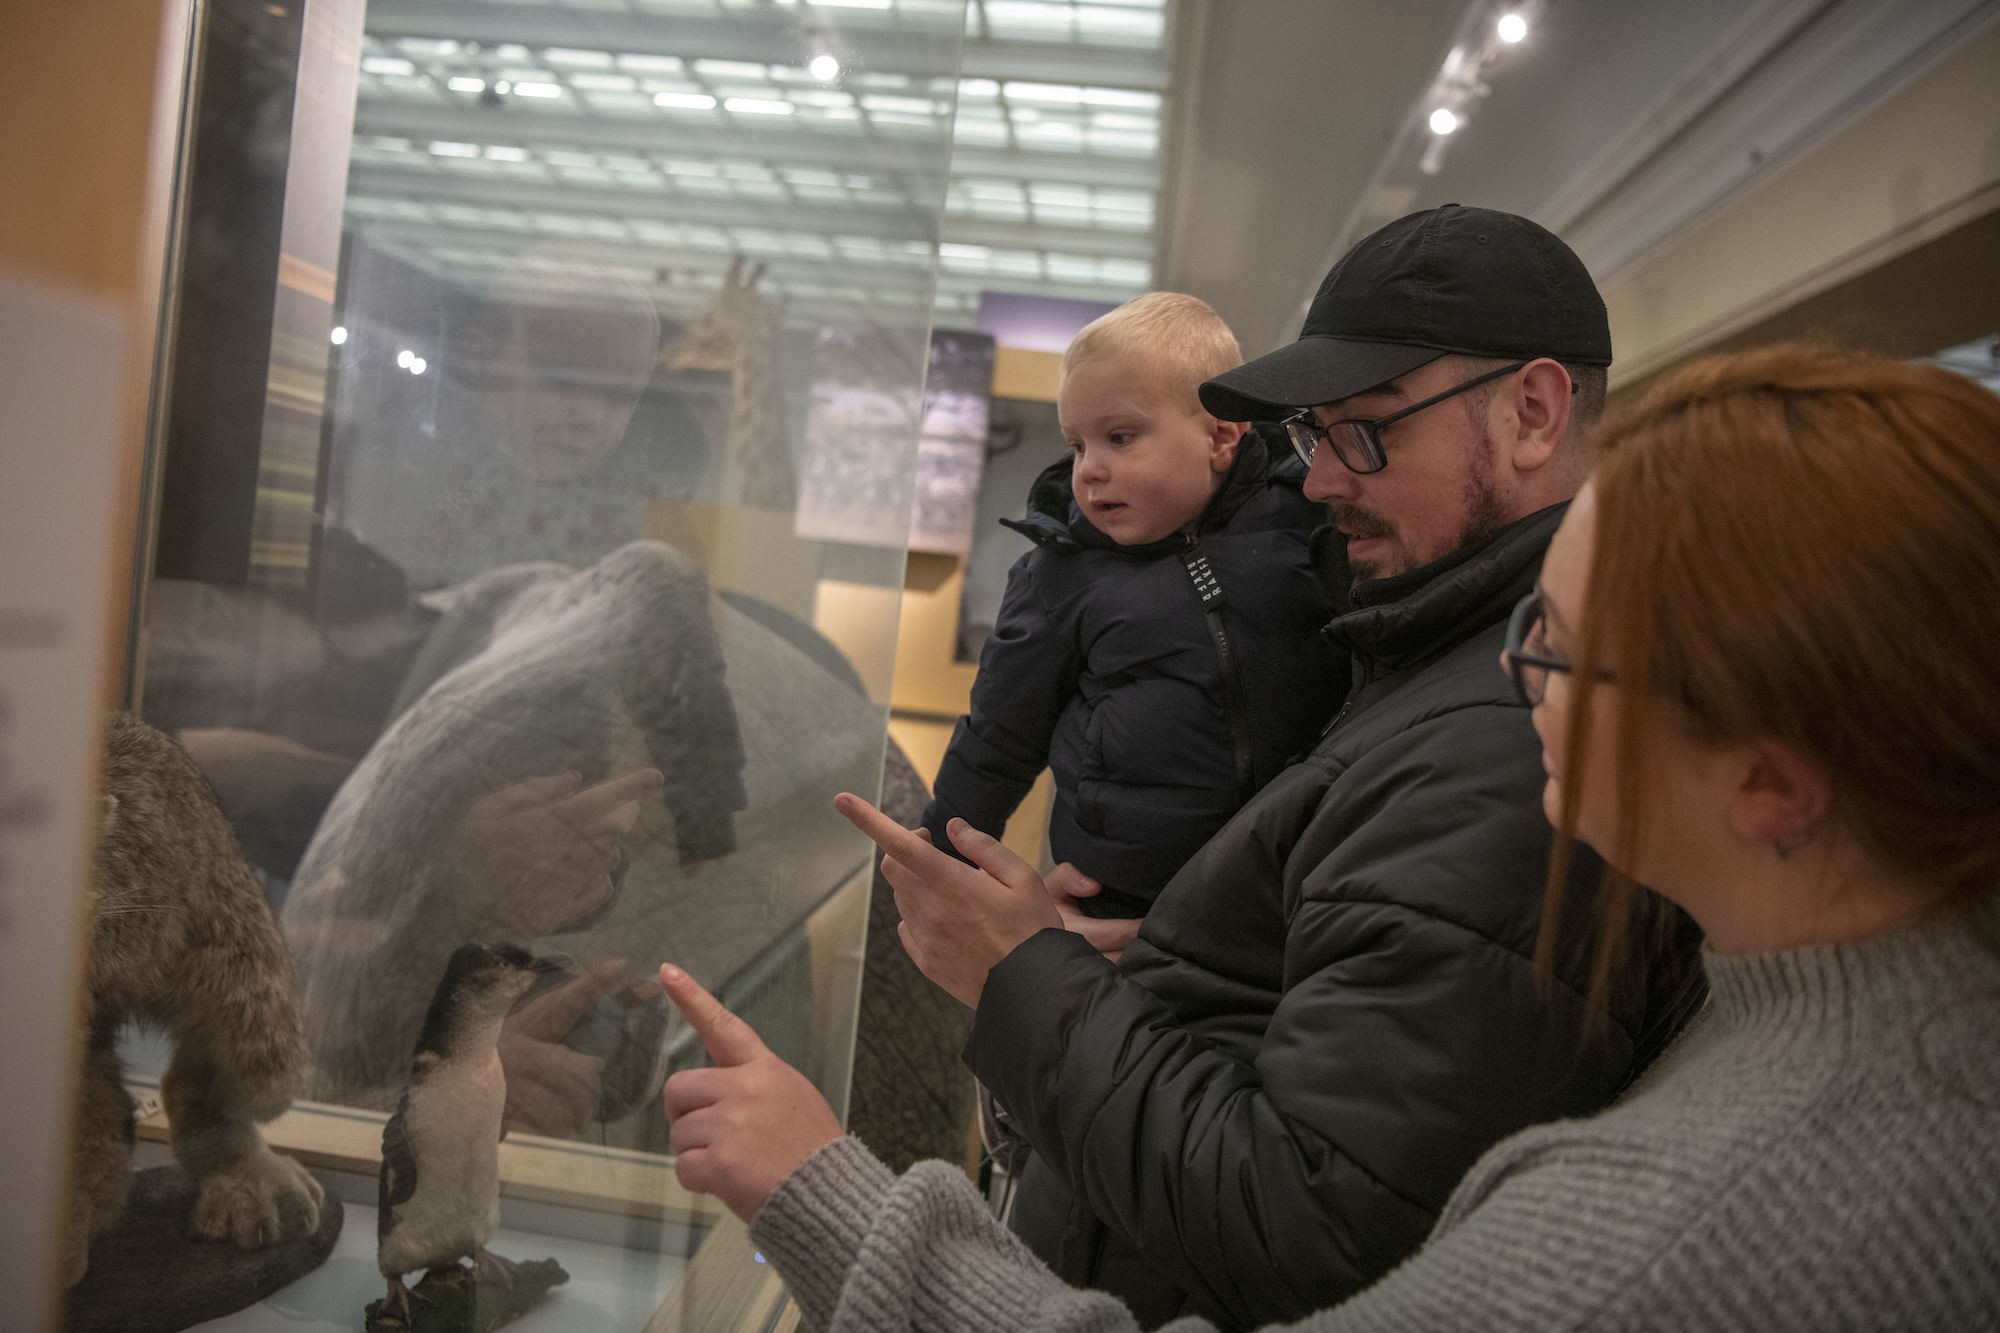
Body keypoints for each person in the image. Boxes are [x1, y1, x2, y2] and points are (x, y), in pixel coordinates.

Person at [659, 344, 2000, 1331]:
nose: (1515, 678)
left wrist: (824, 1190)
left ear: (1768, 782)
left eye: (1560, 648)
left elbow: (1309, 1221)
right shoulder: (1896, 1011)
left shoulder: (1677, 1229)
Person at [888, 204, 1704, 1327]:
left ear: (1530, 411)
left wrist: (1023, 975)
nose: (1317, 482)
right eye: (1314, 437)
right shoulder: (1417, 641)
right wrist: (1154, 943)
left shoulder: (1516, 740)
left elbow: (1307, 1221)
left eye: (1363, 432)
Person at [922, 292, 1344, 919]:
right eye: (1077, 445)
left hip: (1294, 886)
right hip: (1126, 901)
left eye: (1119, 437)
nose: (1090, 469)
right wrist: (937, 869)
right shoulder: (1059, 575)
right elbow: (996, 740)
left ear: (1221, 436)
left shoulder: (1309, 519)